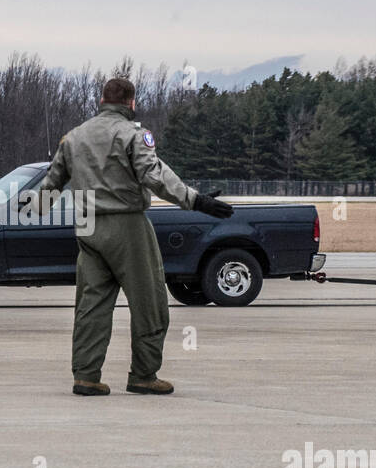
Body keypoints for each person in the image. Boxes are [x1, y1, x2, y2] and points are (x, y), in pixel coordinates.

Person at [36, 77, 233, 395]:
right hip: (125, 224)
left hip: (86, 225)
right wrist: (196, 200)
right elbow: (153, 178)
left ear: (101, 100)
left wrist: (26, 210)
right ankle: (143, 374)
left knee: (92, 304)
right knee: (150, 303)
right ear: (131, 103)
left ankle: (86, 375)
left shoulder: (73, 138)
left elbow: (50, 186)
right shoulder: (134, 134)